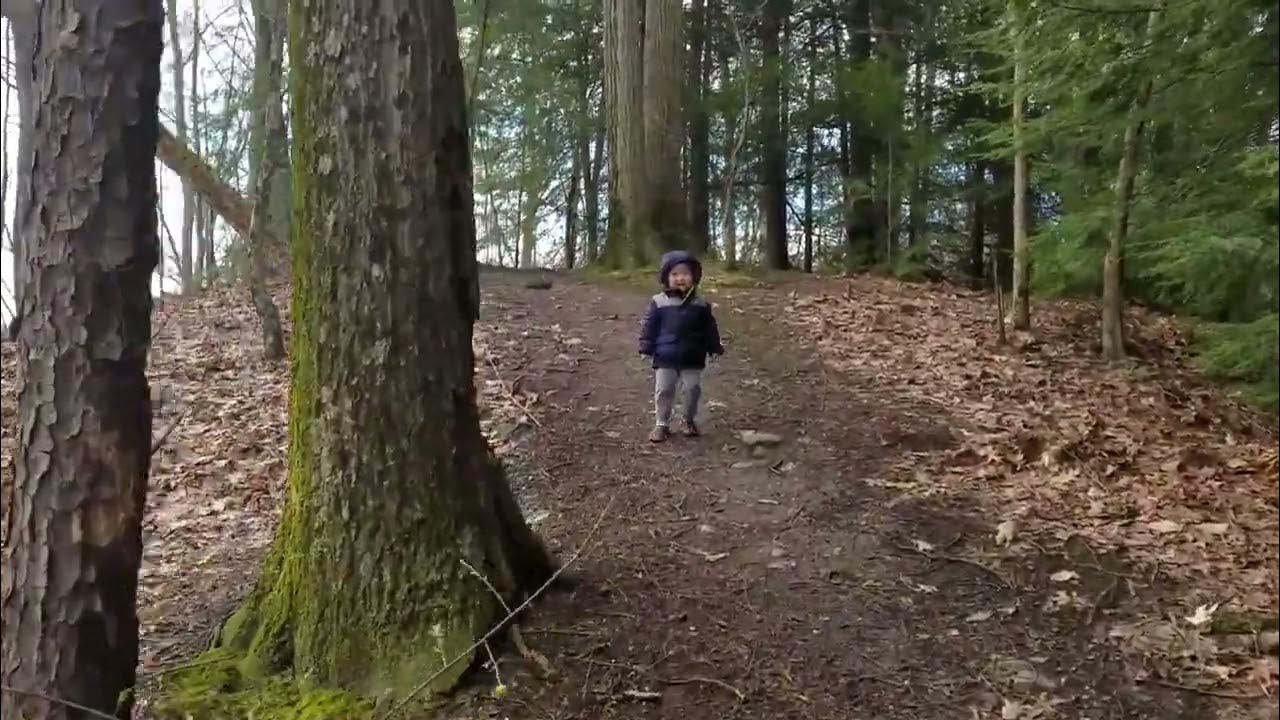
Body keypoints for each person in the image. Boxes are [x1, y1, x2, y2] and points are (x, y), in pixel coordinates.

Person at [638, 250, 724, 442]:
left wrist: (714, 346)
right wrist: (646, 346)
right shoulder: (659, 302)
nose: (680, 278)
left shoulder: (701, 305)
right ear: (666, 277)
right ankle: (662, 423)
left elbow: (709, 328)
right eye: (674, 274)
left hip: (693, 355)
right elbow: (650, 326)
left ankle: (688, 420)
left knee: (693, 389)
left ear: (694, 277)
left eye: (685, 274)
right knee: (664, 390)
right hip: (665, 355)